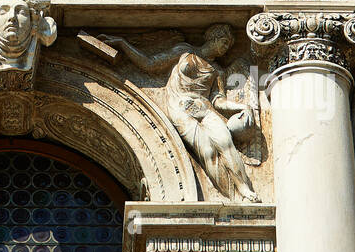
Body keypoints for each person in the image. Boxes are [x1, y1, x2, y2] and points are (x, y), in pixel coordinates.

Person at [106, 25, 260, 202]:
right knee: (208, 151)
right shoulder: (185, 51)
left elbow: (218, 99)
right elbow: (150, 63)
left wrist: (240, 107)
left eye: (229, 46)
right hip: (180, 106)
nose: (226, 48)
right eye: (224, 42)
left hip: (205, 108)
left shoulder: (218, 70)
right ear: (213, 38)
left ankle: (244, 189)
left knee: (226, 143)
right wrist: (123, 43)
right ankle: (233, 196)